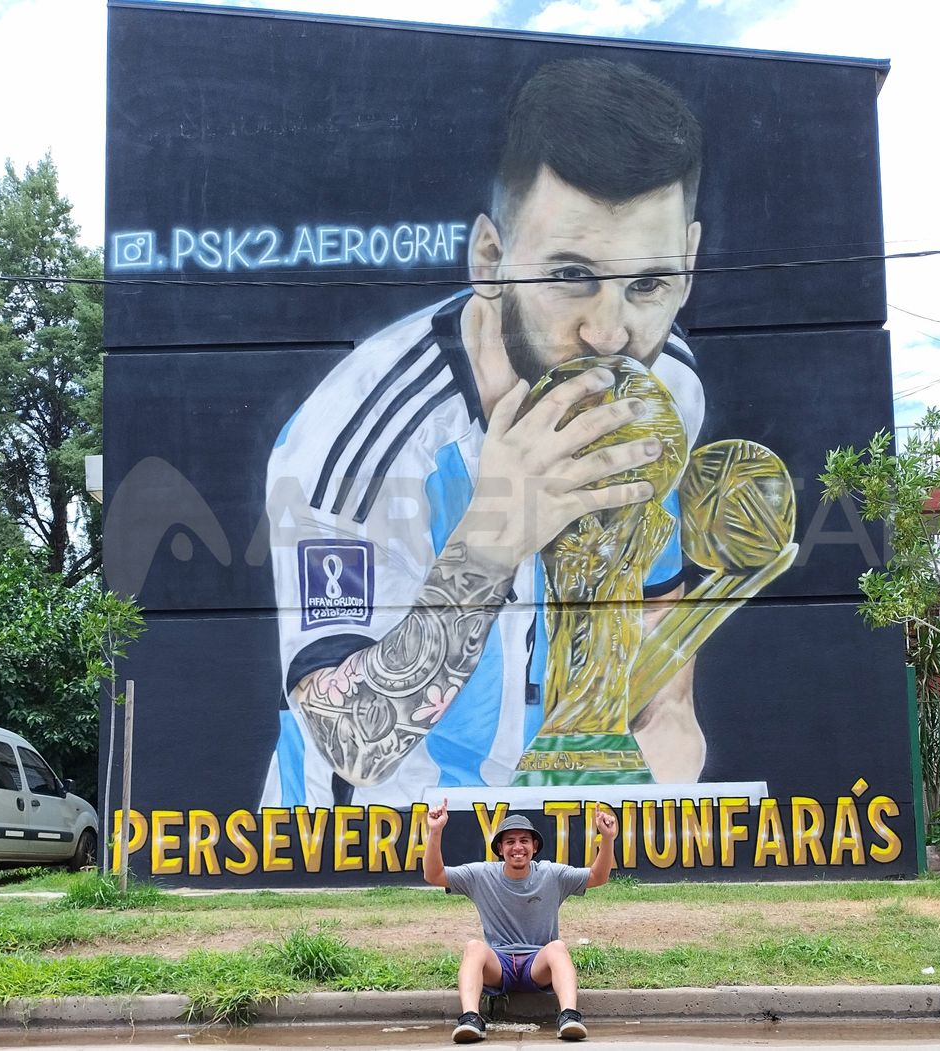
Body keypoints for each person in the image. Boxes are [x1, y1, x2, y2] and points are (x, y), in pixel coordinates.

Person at [261, 57, 707, 809]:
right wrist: (494, 538)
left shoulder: (668, 389)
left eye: (648, 284)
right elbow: (349, 740)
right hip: (368, 859)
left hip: (555, 840)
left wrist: (652, 778)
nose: (610, 332)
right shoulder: (354, 443)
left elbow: (660, 655)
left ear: (688, 268)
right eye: (571, 275)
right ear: (491, 260)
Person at [423, 799, 618, 1042]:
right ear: (500, 849)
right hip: (499, 964)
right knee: (474, 947)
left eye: (524, 841)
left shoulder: (552, 874)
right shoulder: (481, 875)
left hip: (538, 964)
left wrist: (607, 839)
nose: (518, 847)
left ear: (535, 846)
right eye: (510, 842)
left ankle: (569, 1017)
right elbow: (434, 875)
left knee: (557, 947)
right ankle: (471, 1019)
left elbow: (597, 876)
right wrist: (435, 830)